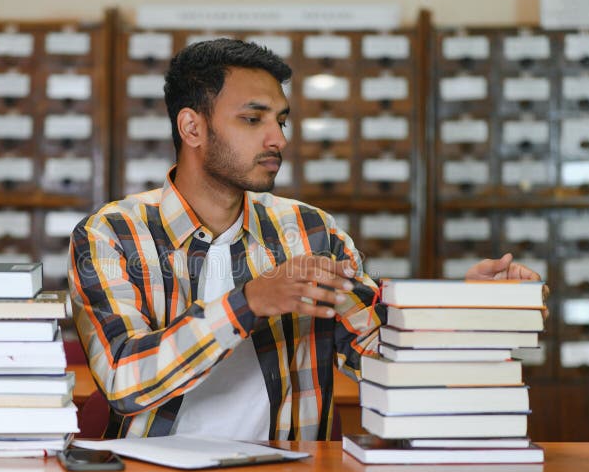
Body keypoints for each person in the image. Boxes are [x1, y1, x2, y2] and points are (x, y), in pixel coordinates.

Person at [68, 38, 544, 441]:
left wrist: (473, 311)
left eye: (282, 120)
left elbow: (379, 349)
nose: (278, 139)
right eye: (254, 120)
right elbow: (123, 380)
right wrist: (249, 301)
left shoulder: (312, 232)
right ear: (192, 127)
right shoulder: (112, 235)